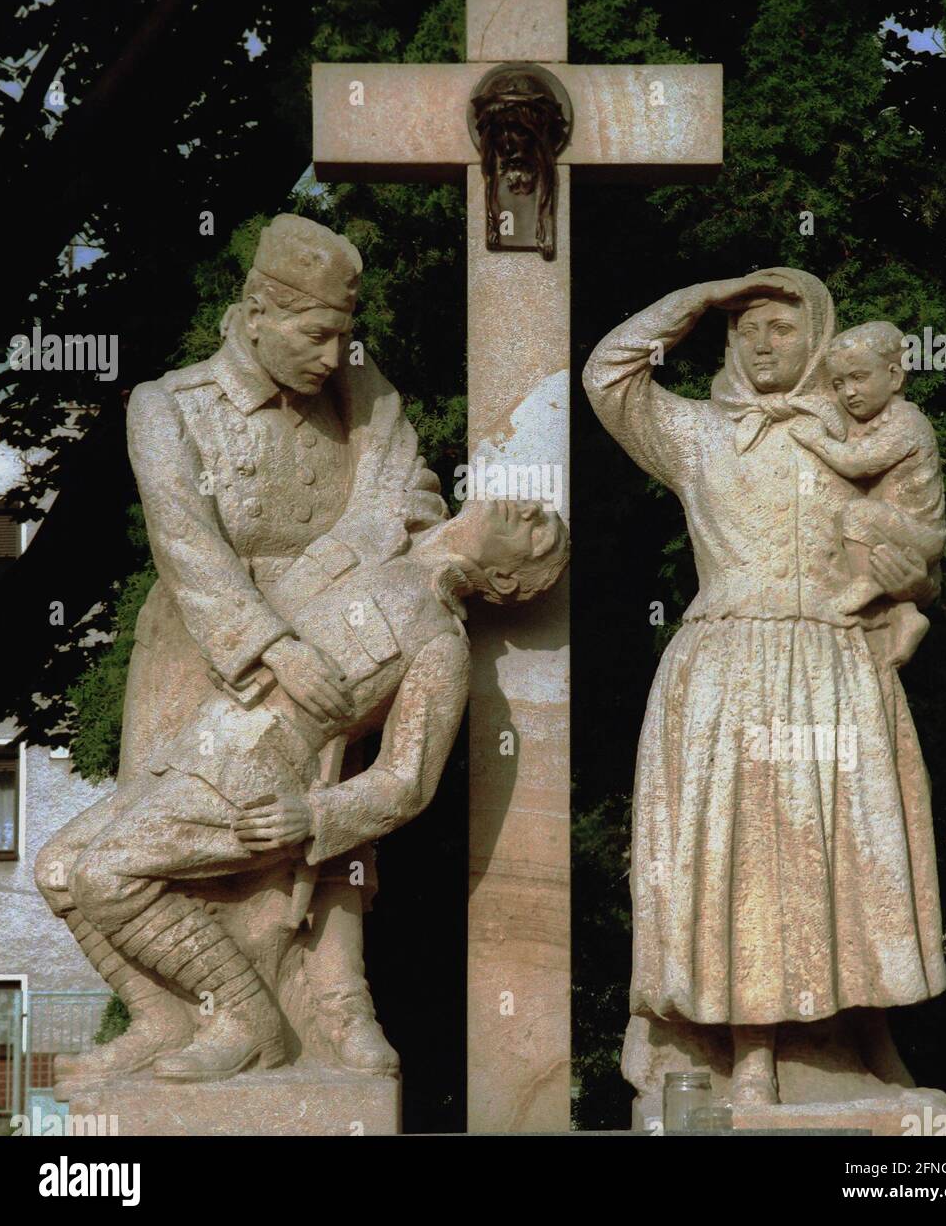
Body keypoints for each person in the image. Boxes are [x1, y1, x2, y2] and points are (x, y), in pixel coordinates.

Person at [42, 213, 448, 1083]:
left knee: (326, 826)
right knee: (170, 843)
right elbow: (185, 543)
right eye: (317, 332)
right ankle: (174, 1014)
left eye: (345, 334)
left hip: (332, 638)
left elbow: (414, 499)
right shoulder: (169, 406)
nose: (334, 352)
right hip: (204, 647)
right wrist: (269, 647)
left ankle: (340, 1003)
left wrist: (338, 577)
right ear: (259, 310)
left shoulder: (363, 398)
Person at [38, 498, 568, 1083]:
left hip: (257, 778)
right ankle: (159, 1019)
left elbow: (406, 782)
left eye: (540, 534)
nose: (530, 512)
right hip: (197, 738)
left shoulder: (441, 645)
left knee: (101, 877)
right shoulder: (374, 533)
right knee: (57, 865)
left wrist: (314, 817)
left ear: (499, 579)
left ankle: (243, 1020)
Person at [583, 268, 946, 1107]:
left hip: (833, 662)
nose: (761, 341)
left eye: (782, 327)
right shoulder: (697, 434)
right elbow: (608, 371)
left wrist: (908, 597)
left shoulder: (865, 428)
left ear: (817, 340)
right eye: (745, 328)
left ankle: (869, 1038)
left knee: (858, 856)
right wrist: (710, 292)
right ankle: (747, 1049)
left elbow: (918, 547)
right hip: (728, 669)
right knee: (745, 856)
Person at [789, 320, 946, 666]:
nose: (848, 392)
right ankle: (903, 616)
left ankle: (865, 583)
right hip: (895, 530)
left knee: (858, 514)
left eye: (859, 378)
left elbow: (857, 464)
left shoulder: (907, 421)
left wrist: (816, 439)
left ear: (894, 377)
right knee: (860, 515)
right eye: (839, 384)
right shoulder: (873, 423)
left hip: (919, 534)